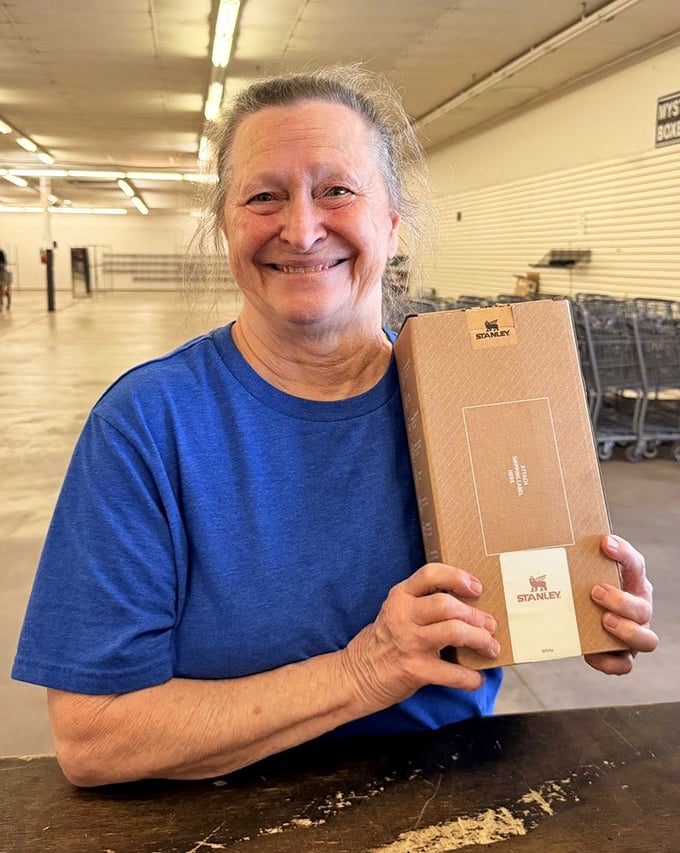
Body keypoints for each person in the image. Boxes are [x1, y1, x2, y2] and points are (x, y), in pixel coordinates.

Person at [12, 67, 657, 787]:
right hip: (215, 811)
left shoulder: (469, 399)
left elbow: (517, 605)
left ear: (392, 222)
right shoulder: (148, 424)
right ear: (226, 225)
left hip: (445, 795)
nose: (301, 228)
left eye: (337, 191)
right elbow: (94, 738)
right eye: (264, 196)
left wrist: (577, 605)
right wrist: (362, 671)